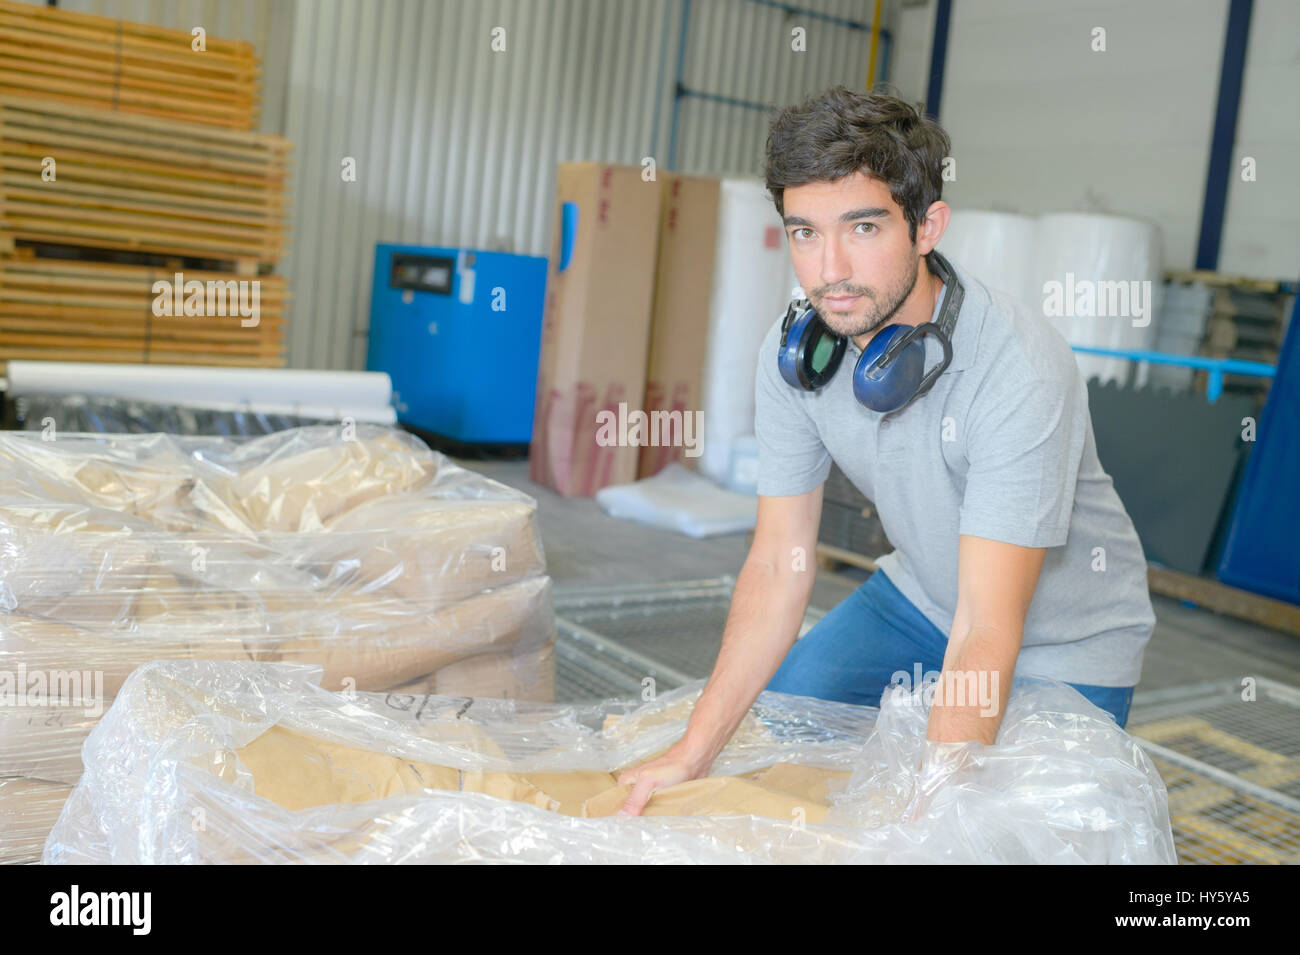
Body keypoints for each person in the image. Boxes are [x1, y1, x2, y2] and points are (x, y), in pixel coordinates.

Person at [616, 85, 1156, 817]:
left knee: (1008, 828)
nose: (829, 268)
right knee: (785, 733)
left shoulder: (1019, 369)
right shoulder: (798, 358)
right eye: (804, 231)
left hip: (1064, 638)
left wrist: (930, 811)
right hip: (923, 598)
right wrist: (690, 749)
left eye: (862, 227)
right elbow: (780, 562)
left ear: (928, 225)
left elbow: (988, 623)